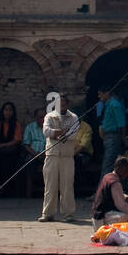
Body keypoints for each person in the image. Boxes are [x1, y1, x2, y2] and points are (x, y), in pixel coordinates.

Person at [39, 92, 80, 222]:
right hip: (52, 155)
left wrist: (64, 134)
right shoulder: (50, 116)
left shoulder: (73, 117)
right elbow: (46, 131)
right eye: (59, 103)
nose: (61, 106)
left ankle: (69, 213)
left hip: (67, 155)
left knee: (67, 185)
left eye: (64, 103)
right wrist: (58, 133)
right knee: (50, 185)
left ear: (67, 104)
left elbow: (74, 134)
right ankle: (48, 213)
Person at [92, 156, 128, 225]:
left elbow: (117, 195)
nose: (127, 174)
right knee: (126, 216)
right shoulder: (115, 183)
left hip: (98, 215)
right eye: (126, 171)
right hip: (101, 218)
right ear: (119, 169)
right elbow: (121, 205)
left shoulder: (107, 176)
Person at [0, 102, 24, 195]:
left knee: (9, 161)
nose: (8, 112)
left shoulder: (15, 124)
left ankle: (8, 188)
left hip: (11, 149)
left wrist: (2, 146)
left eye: (10, 110)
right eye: (6, 110)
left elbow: (17, 140)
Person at [98, 88, 127, 174]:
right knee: (111, 164)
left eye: (100, 94)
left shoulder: (115, 105)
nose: (99, 97)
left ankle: (104, 187)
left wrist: (123, 138)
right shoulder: (107, 105)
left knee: (108, 165)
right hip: (108, 137)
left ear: (107, 93)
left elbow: (121, 124)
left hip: (113, 137)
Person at [22, 106, 47, 198]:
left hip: (48, 153)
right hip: (34, 153)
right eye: (40, 117)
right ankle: (30, 191)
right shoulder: (30, 127)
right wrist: (36, 154)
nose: (43, 119)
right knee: (29, 163)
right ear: (36, 117)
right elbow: (26, 144)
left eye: (44, 117)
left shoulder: (50, 128)